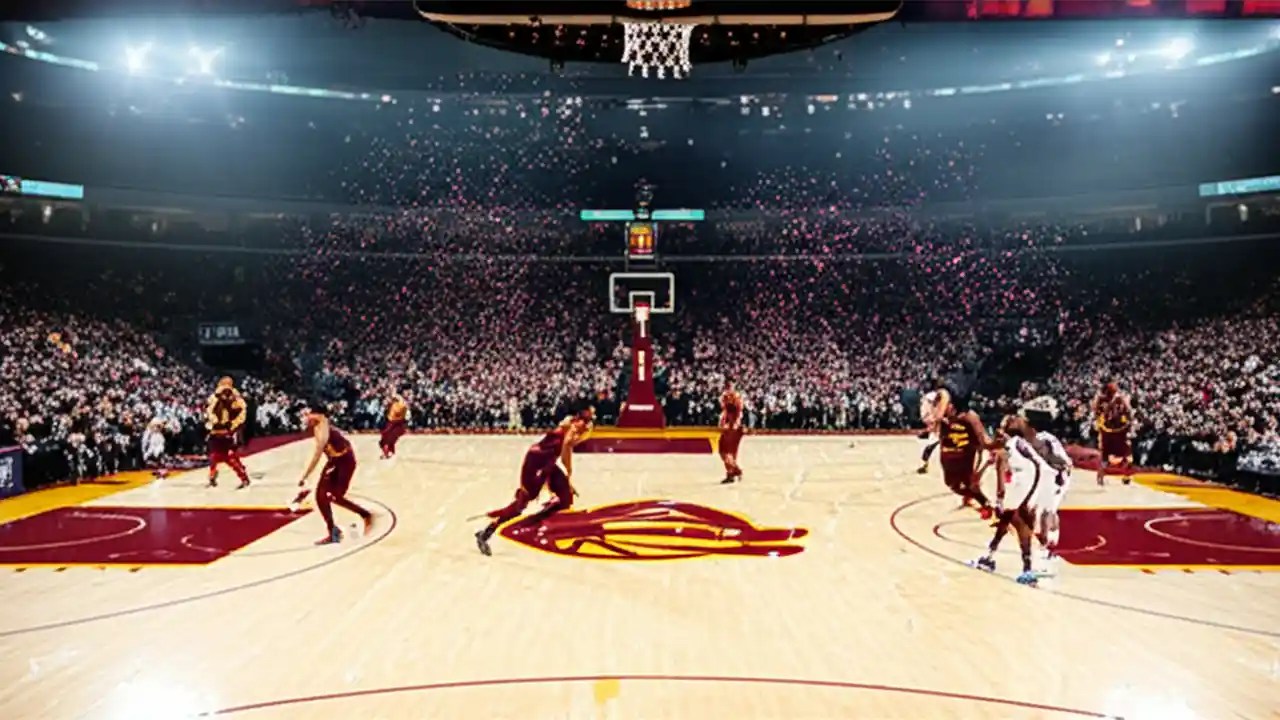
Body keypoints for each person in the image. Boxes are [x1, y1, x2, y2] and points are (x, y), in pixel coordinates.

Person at [475, 405, 595, 556]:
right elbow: (566, 451)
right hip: (535, 464)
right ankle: (487, 532)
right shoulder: (571, 430)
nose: (586, 425)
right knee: (522, 504)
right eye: (584, 421)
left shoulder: (572, 426)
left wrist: (566, 479)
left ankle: (547, 526)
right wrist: (569, 473)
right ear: (577, 419)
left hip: (547, 463)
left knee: (565, 495)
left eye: (589, 422)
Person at [969, 416, 1045, 586]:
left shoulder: (1005, 451)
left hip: (1025, 483)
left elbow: (1000, 478)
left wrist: (999, 499)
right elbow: (1037, 466)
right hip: (1034, 482)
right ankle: (990, 556)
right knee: (1007, 521)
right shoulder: (1020, 443)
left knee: (1017, 523)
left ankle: (1027, 569)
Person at [297, 403, 374, 545]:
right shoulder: (317, 425)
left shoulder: (323, 432)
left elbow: (316, 456)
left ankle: (364, 514)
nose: (307, 417)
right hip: (334, 461)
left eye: (309, 414)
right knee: (321, 496)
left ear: (318, 415)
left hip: (345, 461)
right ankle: (333, 531)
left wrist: (305, 475)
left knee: (336, 496)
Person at [936, 398, 996, 519]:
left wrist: (988, 452)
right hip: (948, 457)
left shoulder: (969, 418)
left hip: (965, 457)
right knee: (952, 484)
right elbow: (941, 437)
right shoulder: (943, 420)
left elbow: (982, 439)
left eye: (949, 405)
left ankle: (987, 505)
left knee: (971, 484)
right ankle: (970, 497)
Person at [205, 376, 250, 489]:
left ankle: (243, 477)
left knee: (228, 457)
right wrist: (213, 420)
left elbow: (242, 414)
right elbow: (208, 410)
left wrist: (233, 425)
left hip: (226, 431)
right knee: (214, 456)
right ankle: (212, 476)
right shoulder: (214, 397)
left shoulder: (236, 399)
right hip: (216, 430)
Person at [1092, 381, 1133, 486]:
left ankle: (1104, 477)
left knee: (1110, 455)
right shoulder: (1116, 399)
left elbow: (1096, 412)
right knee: (1124, 455)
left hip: (1113, 430)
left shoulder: (1106, 399)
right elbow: (1129, 412)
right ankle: (1124, 476)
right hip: (1114, 430)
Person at [718, 379, 746, 484]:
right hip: (728, 427)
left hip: (733, 428)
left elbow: (739, 413)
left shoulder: (736, 397)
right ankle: (733, 472)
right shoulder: (725, 396)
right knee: (725, 452)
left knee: (727, 452)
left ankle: (734, 472)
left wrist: (734, 425)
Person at [379, 393, 410, 459]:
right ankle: (388, 453)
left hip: (395, 423)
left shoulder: (399, 405)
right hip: (393, 423)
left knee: (388, 439)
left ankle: (388, 453)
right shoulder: (394, 405)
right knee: (387, 439)